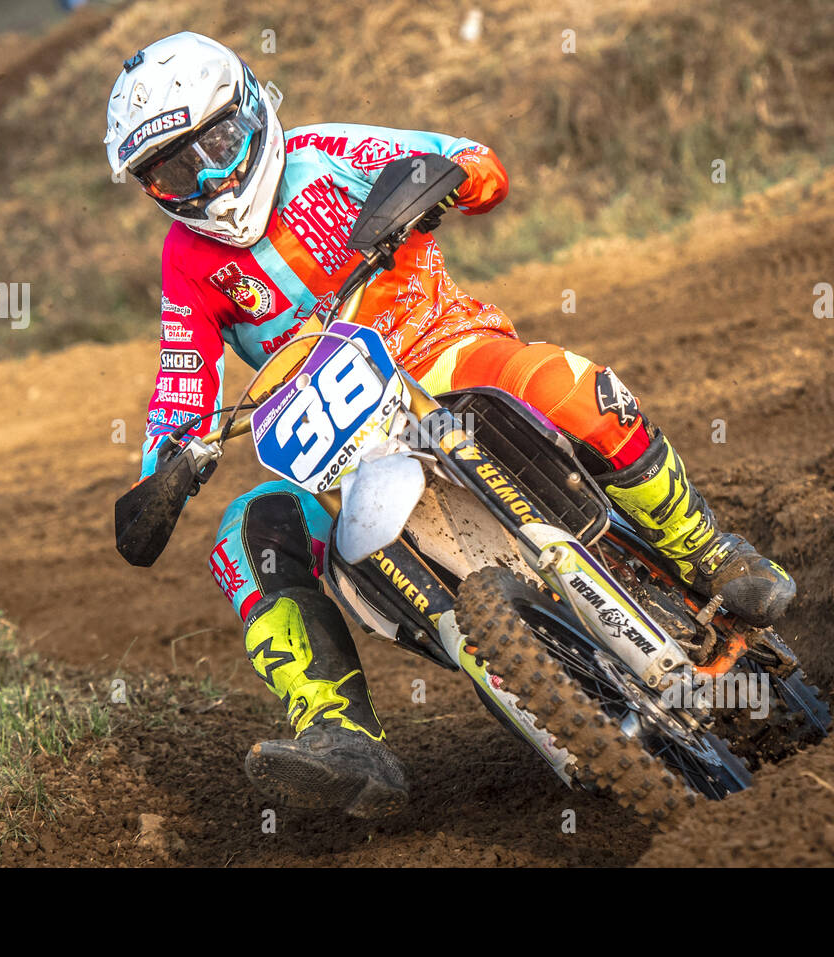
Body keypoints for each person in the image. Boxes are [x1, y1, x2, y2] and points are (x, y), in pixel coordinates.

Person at [106, 32, 795, 818]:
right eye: (171, 171)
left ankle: (706, 548)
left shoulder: (326, 151)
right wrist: (164, 467)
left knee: (567, 384)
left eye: (217, 146)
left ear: (253, 110)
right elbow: (181, 379)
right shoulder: (187, 261)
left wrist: (450, 179)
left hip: (444, 355)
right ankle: (343, 737)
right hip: (336, 451)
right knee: (245, 533)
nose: (204, 180)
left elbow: (475, 161)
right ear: (148, 187)